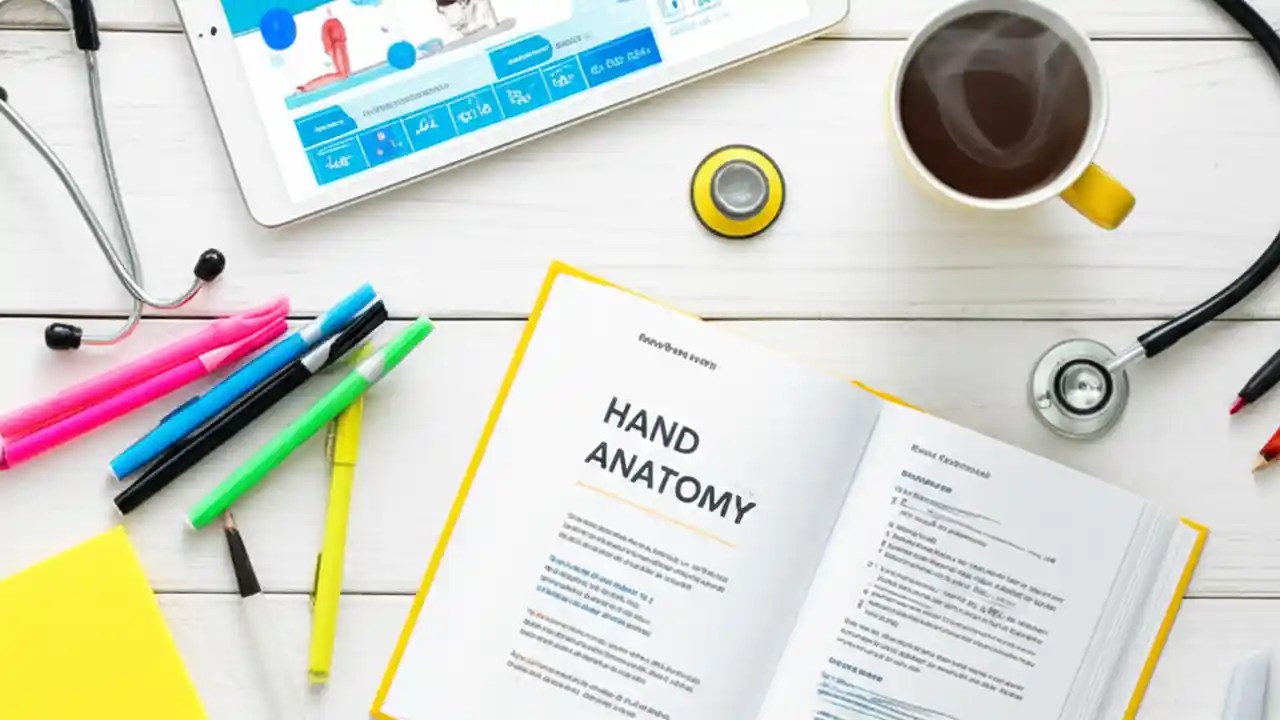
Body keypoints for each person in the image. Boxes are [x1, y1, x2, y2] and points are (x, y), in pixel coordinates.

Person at [297, 10, 352, 93]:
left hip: (336, 38)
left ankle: (308, 86)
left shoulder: (330, 24)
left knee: (344, 74)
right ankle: (308, 86)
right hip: (336, 39)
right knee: (344, 74)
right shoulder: (330, 24)